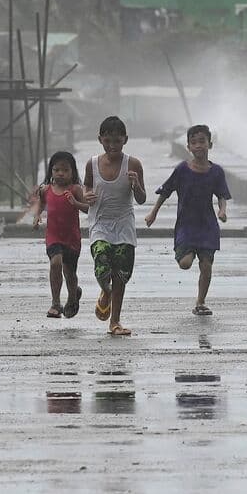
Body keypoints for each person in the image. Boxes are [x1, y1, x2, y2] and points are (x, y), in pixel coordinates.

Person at [144, 124, 231, 316]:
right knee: (185, 263)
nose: (198, 146)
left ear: (210, 144)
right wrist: (153, 213)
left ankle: (200, 302)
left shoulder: (216, 172)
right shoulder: (182, 169)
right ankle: (186, 251)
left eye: (202, 141)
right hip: (186, 225)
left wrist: (222, 210)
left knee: (206, 266)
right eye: (194, 142)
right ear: (188, 146)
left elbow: (222, 195)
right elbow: (166, 191)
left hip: (207, 225)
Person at [83, 115, 146, 336]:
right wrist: (87, 194)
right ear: (100, 139)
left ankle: (115, 321)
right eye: (107, 141)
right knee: (102, 264)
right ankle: (105, 291)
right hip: (100, 224)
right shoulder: (92, 163)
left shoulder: (133, 164)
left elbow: (141, 199)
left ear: (125, 140)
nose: (112, 146)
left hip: (124, 226)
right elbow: (87, 186)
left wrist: (136, 184)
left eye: (117, 141)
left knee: (120, 274)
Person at [29, 151, 89, 319]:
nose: (60, 174)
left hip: (72, 239)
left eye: (65, 170)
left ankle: (73, 296)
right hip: (53, 236)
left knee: (70, 273)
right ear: (50, 172)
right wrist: (37, 216)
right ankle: (55, 303)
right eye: (56, 170)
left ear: (73, 172)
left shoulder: (76, 189)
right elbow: (41, 204)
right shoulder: (45, 190)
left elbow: (88, 209)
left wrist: (75, 203)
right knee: (56, 263)